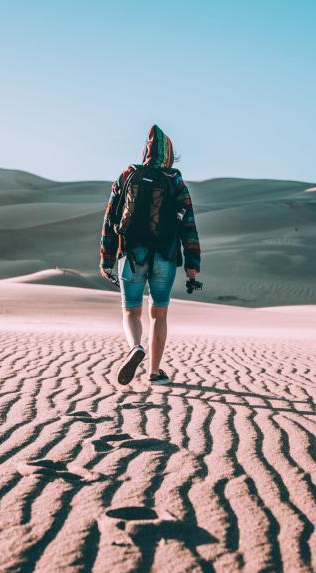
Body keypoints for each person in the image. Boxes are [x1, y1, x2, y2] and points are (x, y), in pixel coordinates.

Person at [99, 125, 201, 386]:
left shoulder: (127, 175)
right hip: (164, 257)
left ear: (145, 151)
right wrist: (192, 264)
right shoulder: (175, 180)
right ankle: (154, 373)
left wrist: (106, 258)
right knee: (159, 314)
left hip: (130, 255)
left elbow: (110, 219)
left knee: (131, 312)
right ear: (168, 155)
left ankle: (135, 347)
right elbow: (188, 224)